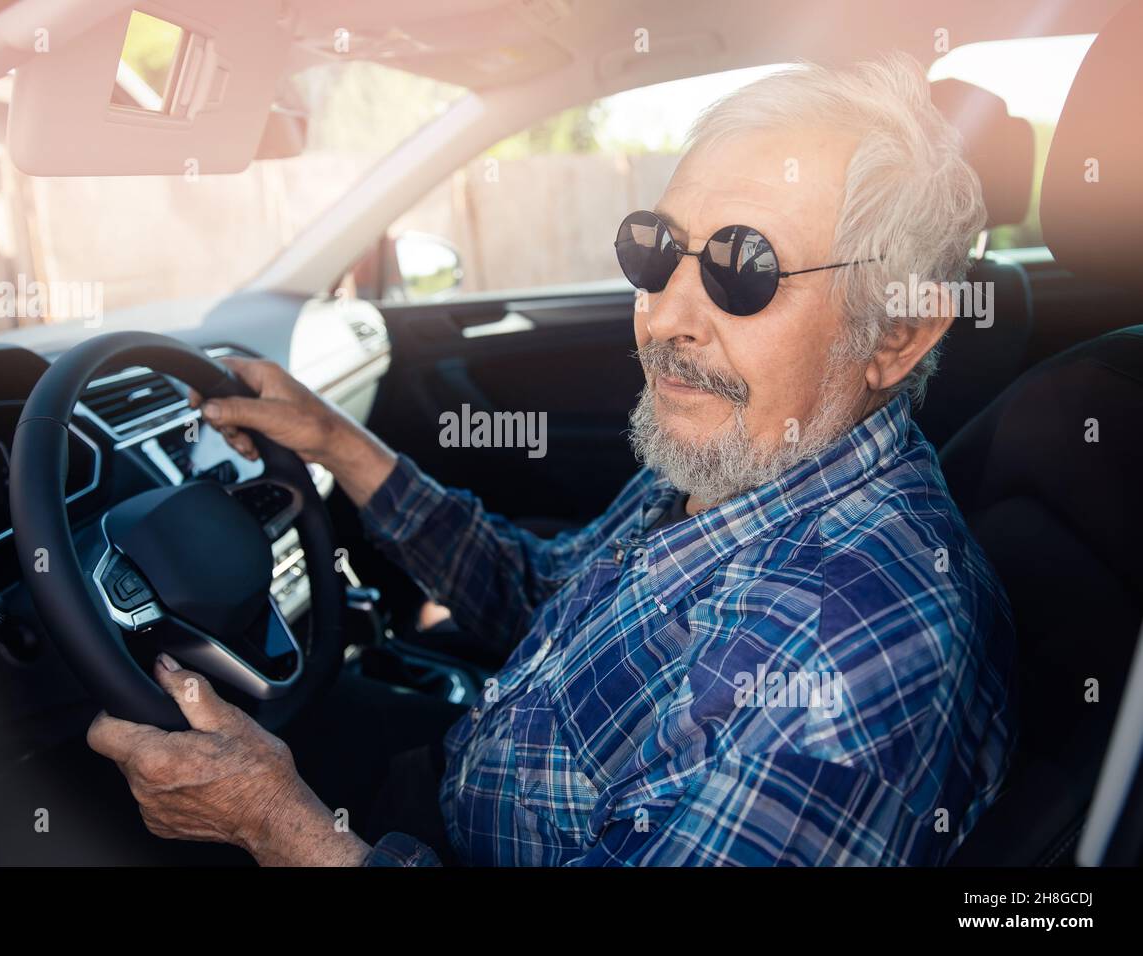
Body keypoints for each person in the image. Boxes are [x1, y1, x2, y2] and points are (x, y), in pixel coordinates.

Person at [87, 53, 1016, 866]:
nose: (664, 317)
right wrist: (338, 443)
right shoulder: (738, 460)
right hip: (451, 779)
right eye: (656, 252)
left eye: (745, 269)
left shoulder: (848, 649)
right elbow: (543, 593)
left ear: (894, 333)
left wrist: (277, 827)